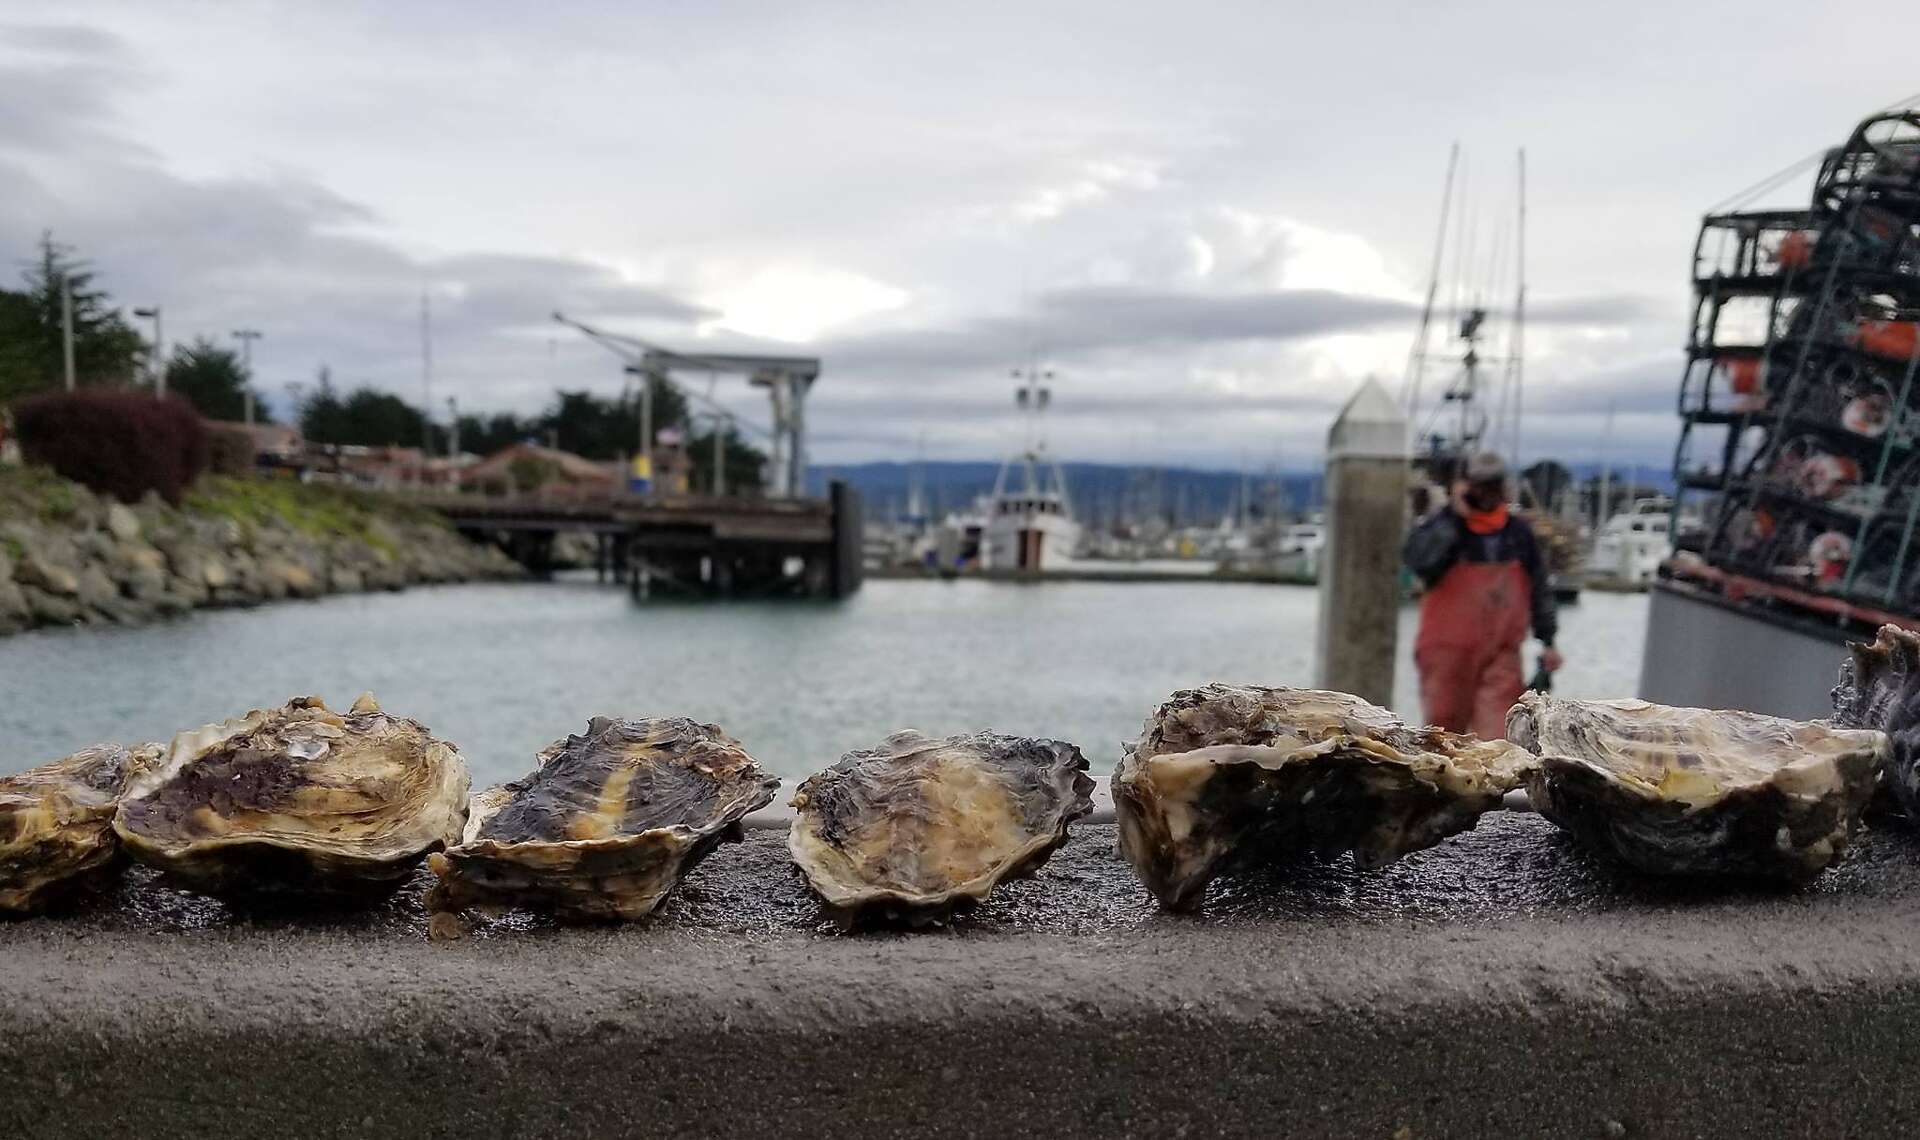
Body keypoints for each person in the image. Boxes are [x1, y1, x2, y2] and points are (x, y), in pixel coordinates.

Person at [1402, 451, 1562, 739]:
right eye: (1479, 486)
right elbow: (1419, 561)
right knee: (1442, 736)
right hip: (1445, 656)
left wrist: (1548, 640)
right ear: (1466, 487)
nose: (1486, 494)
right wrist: (1454, 515)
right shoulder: (1443, 526)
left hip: (1501, 655)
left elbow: (1539, 587)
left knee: (1499, 737)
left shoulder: (1519, 534)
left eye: (1493, 485)